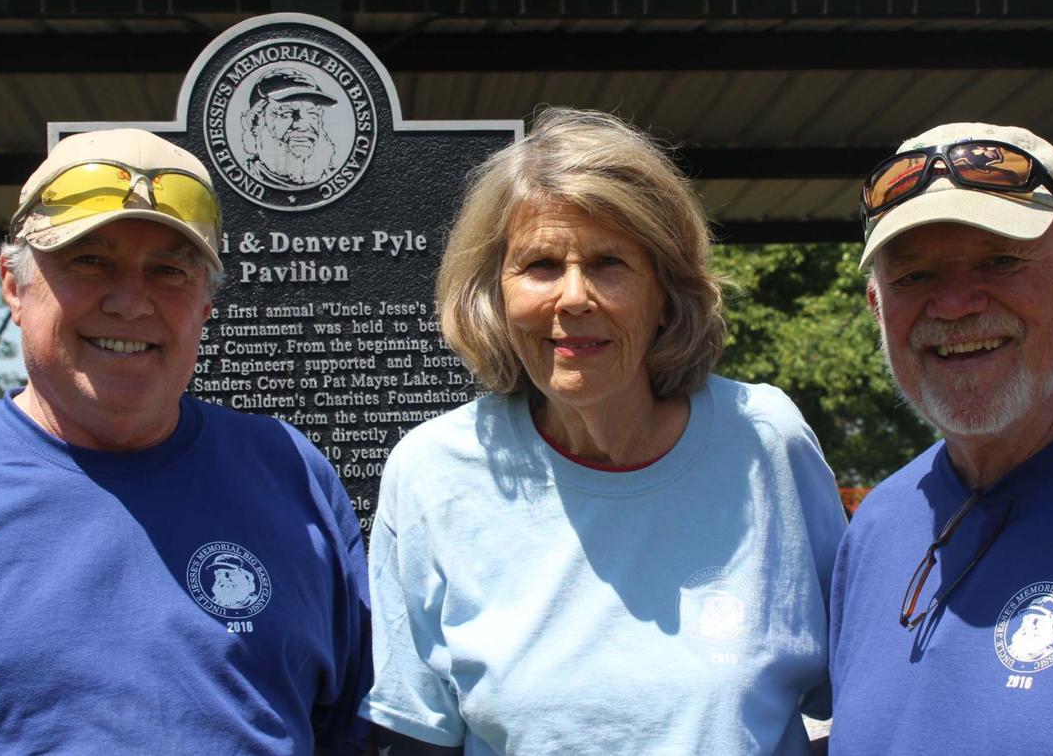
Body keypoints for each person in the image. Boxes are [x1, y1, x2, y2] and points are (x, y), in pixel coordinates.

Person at [362, 108, 847, 754]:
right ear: (496, 294)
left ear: (665, 292)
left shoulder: (766, 443)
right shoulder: (430, 473)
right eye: (539, 266)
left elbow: (857, 696)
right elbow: (415, 736)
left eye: (609, 263)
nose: (573, 297)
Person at [0, 128, 372, 753]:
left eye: (168, 271)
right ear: (15, 286)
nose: (131, 303)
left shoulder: (292, 470)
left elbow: (355, 728)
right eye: (89, 260)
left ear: (205, 308)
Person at [828, 122, 1053, 753]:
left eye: (1001, 260)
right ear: (878, 307)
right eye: (913, 276)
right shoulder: (877, 529)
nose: (954, 304)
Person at [240, 66, 338, 187]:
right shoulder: (242, 178)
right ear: (255, 122)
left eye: (312, 114)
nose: (303, 125)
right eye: (285, 113)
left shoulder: (335, 179)